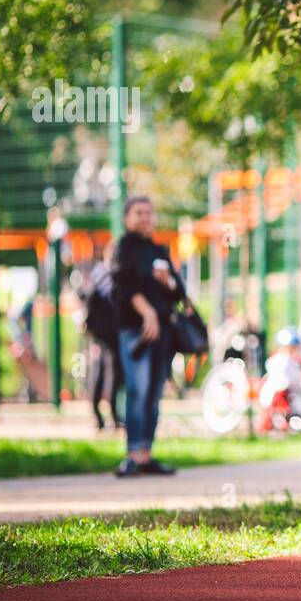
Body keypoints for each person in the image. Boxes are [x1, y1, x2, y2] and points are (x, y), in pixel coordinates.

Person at [112, 196, 181, 477]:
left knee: (153, 394)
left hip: (163, 333)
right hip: (135, 331)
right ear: (127, 217)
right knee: (137, 390)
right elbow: (124, 286)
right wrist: (147, 313)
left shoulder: (158, 249)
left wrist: (169, 282)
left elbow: (179, 293)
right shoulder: (124, 248)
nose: (144, 218)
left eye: (149, 213)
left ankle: (146, 454)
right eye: (138, 213)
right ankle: (133, 453)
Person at [83, 244, 122, 431]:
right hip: (107, 332)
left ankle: (100, 414)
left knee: (100, 371)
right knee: (109, 372)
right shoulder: (109, 276)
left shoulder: (97, 273)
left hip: (101, 332)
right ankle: (109, 414)